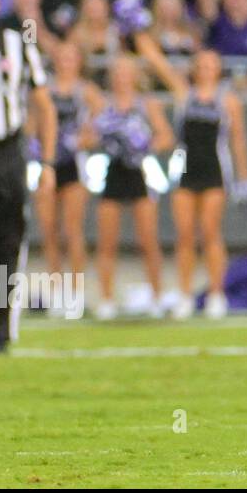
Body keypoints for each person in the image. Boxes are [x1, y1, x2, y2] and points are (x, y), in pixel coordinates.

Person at [0, 0, 56, 351]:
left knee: (4, 244)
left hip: (6, 152)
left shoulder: (18, 43)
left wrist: (47, 162)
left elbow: (44, 105)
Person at [84, 55, 174, 320]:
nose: (122, 78)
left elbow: (166, 136)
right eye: (118, 72)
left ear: (135, 76)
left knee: (148, 238)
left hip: (138, 172)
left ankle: (156, 296)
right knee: (107, 241)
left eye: (127, 72)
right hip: (113, 171)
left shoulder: (147, 105)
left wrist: (143, 146)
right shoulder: (102, 106)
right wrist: (103, 138)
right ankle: (106, 298)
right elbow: (86, 136)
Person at [169, 48, 247, 319]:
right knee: (184, 235)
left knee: (210, 232)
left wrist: (244, 177)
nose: (206, 69)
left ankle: (217, 293)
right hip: (186, 168)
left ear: (218, 69)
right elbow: (160, 66)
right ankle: (184, 295)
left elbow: (238, 140)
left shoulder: (228, 101)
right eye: (201, 64)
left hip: (214, 171)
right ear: (195, 68)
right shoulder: (185, 95)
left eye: (211, 64)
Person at [32, 42, 102, 313]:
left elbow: (105, 121)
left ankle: (75, 293)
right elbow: (32, 123)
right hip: (48, 163)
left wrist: (84, 138)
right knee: (49, 231)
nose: (66, 63)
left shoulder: (86, 91)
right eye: (62, 58)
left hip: (74, 164)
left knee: (72, 230)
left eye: (71, 58)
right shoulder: (44, 89)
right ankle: (55, 292)